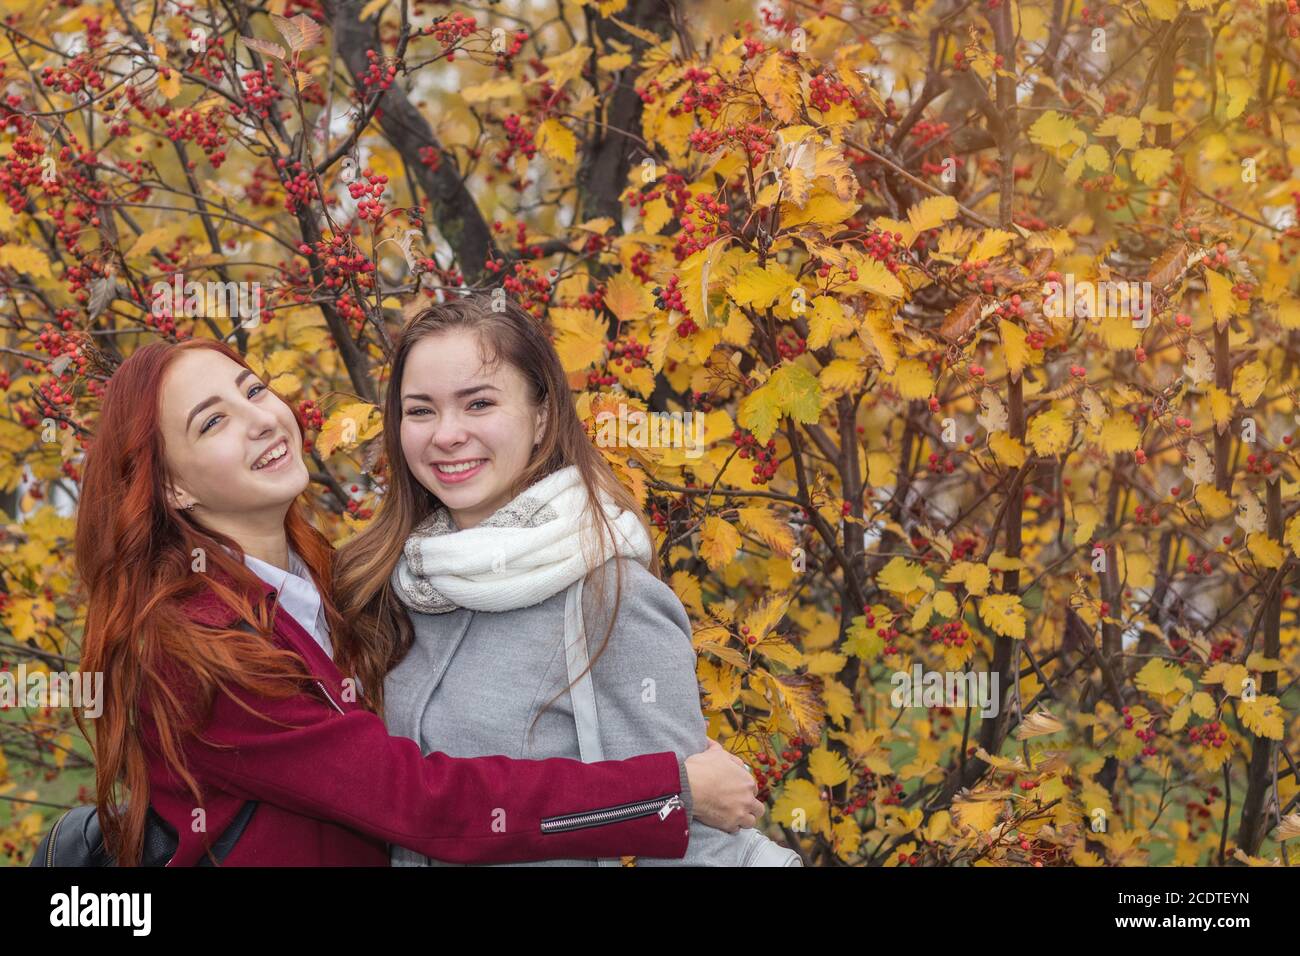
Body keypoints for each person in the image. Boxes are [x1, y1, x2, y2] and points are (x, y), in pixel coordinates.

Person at [73, 337, 761, 866]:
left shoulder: (343, 582)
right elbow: (418, 800)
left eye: (254, 390)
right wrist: (668, 789)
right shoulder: (186, 642)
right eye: (213, 421)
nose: (261, 420)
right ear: (173, 490)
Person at [334, 296, 800, 865]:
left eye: (478, 403)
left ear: (543, 416)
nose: (447, 434)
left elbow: (687, 833)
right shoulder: (384, 584)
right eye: (421, 410)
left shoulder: (608, 595)